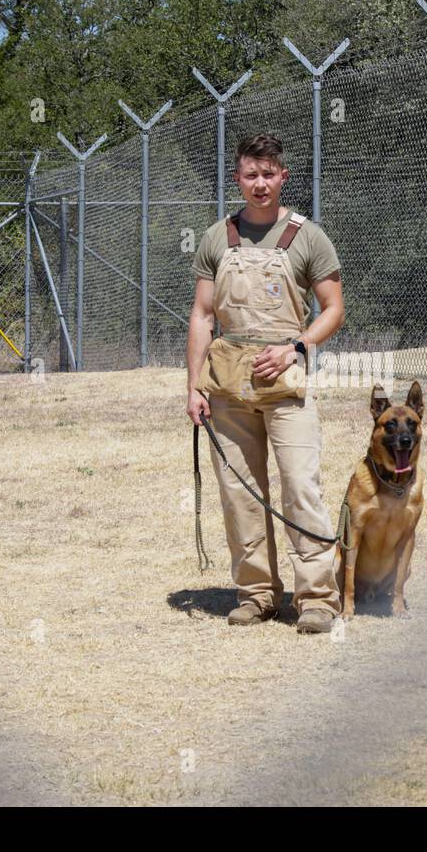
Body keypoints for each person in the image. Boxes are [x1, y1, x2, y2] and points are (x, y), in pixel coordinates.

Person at [185, 133, 345, 634]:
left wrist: (296, 346)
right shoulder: (217, 237)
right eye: (250, 175)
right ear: (238, 179)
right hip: (229, 387)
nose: (259, 184)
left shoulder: (308, 237)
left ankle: (317, 598)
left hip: (287, 384)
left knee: (300, 486)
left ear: (283, 178)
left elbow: (334, 308)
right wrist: (194, 387)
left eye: (268, 174)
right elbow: (202, 315)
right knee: (239, 491)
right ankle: (256, 593)